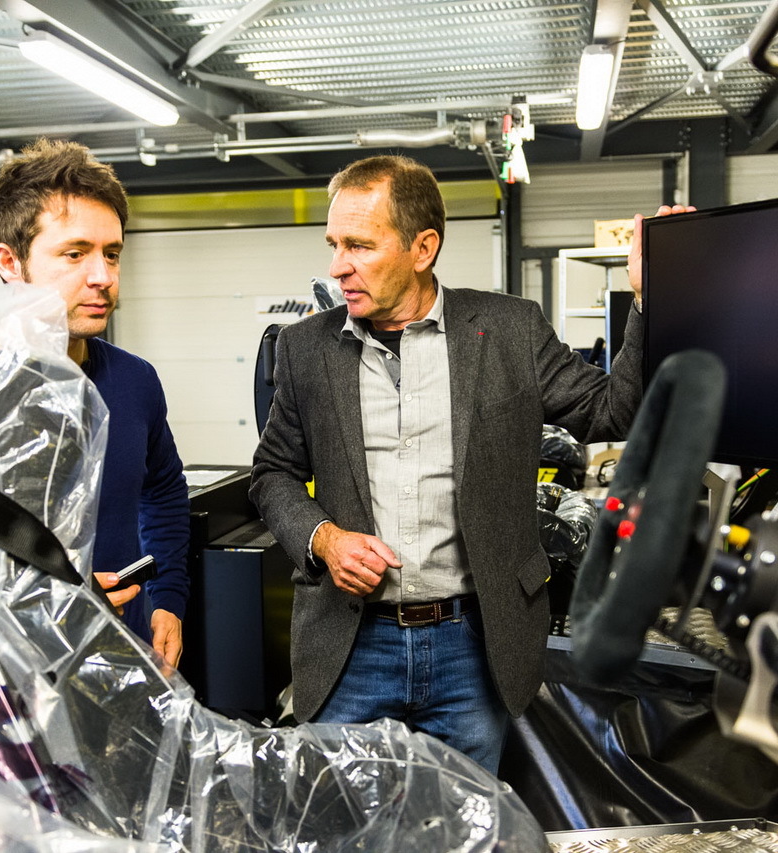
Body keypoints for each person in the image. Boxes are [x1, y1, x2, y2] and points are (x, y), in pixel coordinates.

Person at [251, 153, 686, 773]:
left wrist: (648, 298)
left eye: (359, 245)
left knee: (469, 830)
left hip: (473, 646)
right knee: (347, 831)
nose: (337, 266)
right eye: (333, 244)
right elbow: (273, 474)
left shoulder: (508, 329)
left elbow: (615, 414)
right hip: (350, 646)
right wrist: (322, 538)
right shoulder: (305, 348)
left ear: (422, 247)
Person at [0, 139, 189, 669]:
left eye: (112, 254)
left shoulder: (134, 380)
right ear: (11, 261)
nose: (102, 276)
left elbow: (163, 489)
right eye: (75, 254)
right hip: (7, 670)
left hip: (128, 653)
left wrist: (168, 598)